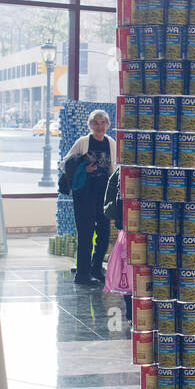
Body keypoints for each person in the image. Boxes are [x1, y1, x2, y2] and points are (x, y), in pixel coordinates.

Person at [61, 109, 116, 286]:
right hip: (84, 194)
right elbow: (65, 163)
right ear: (90, 125)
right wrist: (83, 169)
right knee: (86, 233)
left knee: (104, 232)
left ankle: (96, 267)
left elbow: (113, 168)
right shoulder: (83, 142)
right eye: (95, 123)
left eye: (103, 123)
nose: (99, 126)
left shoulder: (111, 143)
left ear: (108, 125)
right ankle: (82, 273)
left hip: (103, 194)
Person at [100, 165, 133, 321]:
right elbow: (108, 209)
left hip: (152, 232)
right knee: (130, 274)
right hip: (129, 233)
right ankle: (134, 316)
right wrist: (121, 201)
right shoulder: (120, 174)